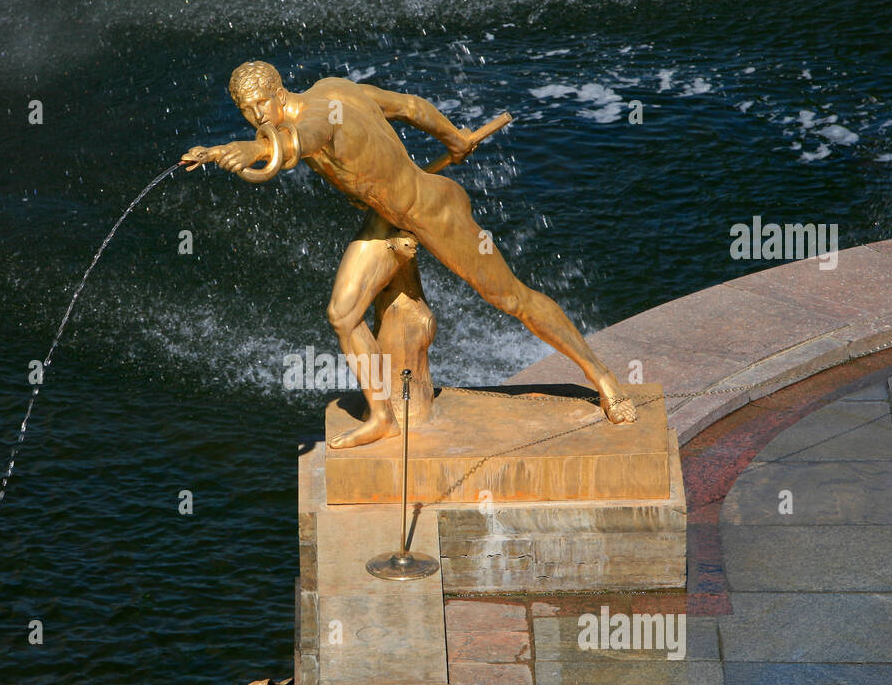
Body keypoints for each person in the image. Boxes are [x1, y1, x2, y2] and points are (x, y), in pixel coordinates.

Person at [182, 61, 636, 448]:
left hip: (432, 211)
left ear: (279, 92)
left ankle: (604, 380)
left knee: (511, 298)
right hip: (387, 220)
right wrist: (455, 139)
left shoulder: (321, 116)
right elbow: (412, 107)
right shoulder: (334, 88)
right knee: (342, 314)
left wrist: (253, 149)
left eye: (262, 105)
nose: (257, 115)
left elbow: (295, 142)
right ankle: (383, 418)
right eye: (247, 112)